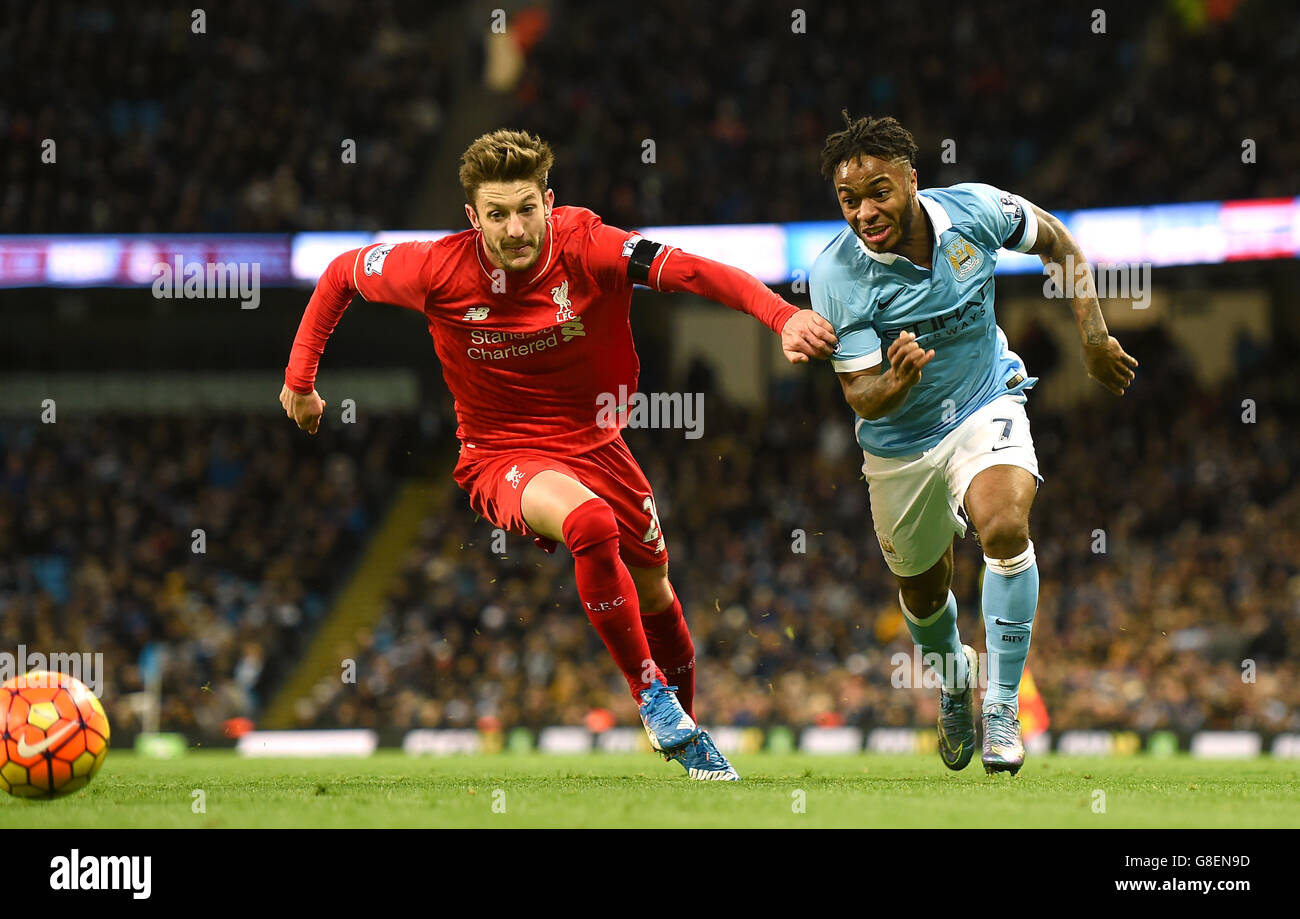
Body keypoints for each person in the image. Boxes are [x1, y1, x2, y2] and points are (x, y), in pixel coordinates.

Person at [279, 128, 838, 780]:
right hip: (501, 453)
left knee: (657, 587)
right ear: (471, 217)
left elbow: (693, 270)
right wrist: (299, 379)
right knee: (590, 523)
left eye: (525, 208)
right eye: (496, 214)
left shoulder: (590, 246)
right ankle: (652, 698)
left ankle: (686, 746)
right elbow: (342, 273)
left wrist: (781, 317)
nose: (514, 228)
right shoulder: (436, 268)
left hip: (599, 441)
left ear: (549, 200)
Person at [811, 112, 1137, 775]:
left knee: (1004, 525)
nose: (865, 211)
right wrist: (895, 381)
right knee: (926, 593)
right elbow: (861, 396)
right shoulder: (836, 274)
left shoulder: (976, 210)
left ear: (911, 179)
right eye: (850, 199)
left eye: (879, 190)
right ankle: (955, 677)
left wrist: (1094, 335)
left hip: (985, 400)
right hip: (899, 442)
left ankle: (1003, 705)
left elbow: (1060, 244)